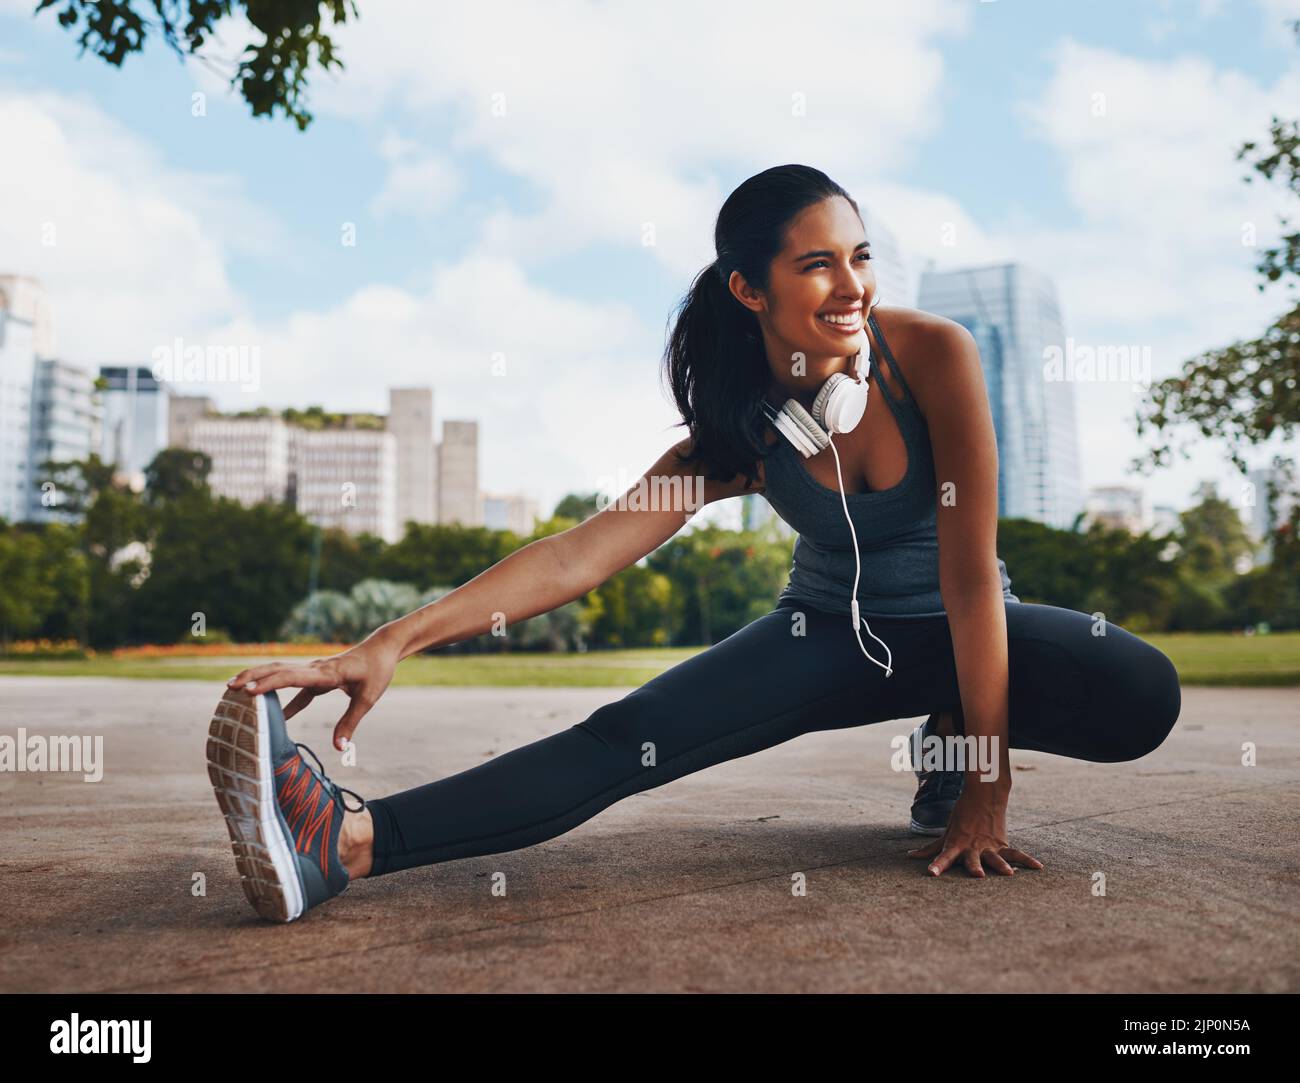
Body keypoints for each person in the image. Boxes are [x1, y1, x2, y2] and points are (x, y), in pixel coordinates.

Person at [207, 164, 1182, 923]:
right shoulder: (743, 431)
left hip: (960, 622)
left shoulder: (931, 356)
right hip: (826, 636)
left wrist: (982, 783)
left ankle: (942, 743)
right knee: (616, 743)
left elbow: (970, 586)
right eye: (817, 264)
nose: (853, 288)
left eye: (861, 256)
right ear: (748, 290)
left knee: (1139, 693)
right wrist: (391, 641)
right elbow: (577, 555)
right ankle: (341, 839)